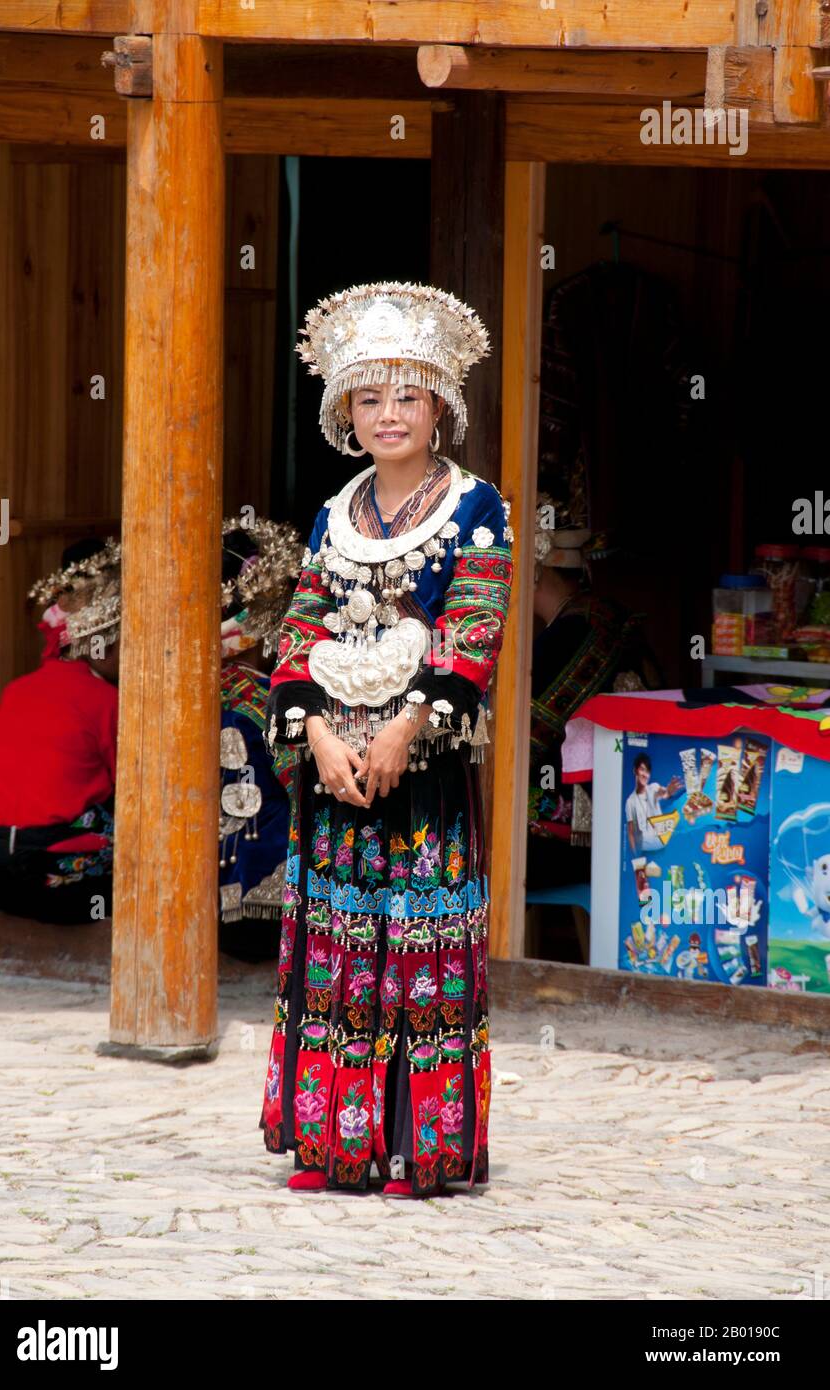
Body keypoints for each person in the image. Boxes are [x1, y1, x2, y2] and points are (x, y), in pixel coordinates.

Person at [259, 281, 513, 1198]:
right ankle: (335, 1145)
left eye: (407, 394)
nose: (389, 414)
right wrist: (318, 735)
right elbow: (299, 629)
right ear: (344, 412)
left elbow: (474, 629)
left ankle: (417, 1149)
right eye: (369, 397)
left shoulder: (477, 508)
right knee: (336, 944)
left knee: (417, 949)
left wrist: (408, 727)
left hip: (424, 775)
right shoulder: (335, 514)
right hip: (333, 778)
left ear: (440, 404)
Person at [0, 539, 120, 925]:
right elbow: (134, 791)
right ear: (100, 646)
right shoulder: (105, 700)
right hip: (56, 884)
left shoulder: (16, 690)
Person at [527, 515, 661, 891]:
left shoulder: (571, 634)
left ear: (534, 572)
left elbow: (524, 744)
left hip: (574, 845)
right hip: (633, 820)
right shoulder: (609, 615)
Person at [217, 514, 304, 959]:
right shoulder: (272, 702)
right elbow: (302, 788)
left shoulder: (180, 696)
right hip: (262, 921)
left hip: (200, 908)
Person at [625, 753, 682, 855]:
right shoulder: (630, 801)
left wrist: (668, 791)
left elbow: (662, 793)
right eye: (642, 769)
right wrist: (635, 856)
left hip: (663, 842)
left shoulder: (652, 788)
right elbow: (631, 832)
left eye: (647, 771)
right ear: (635, 771)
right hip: (645, 849)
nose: (645, 774)